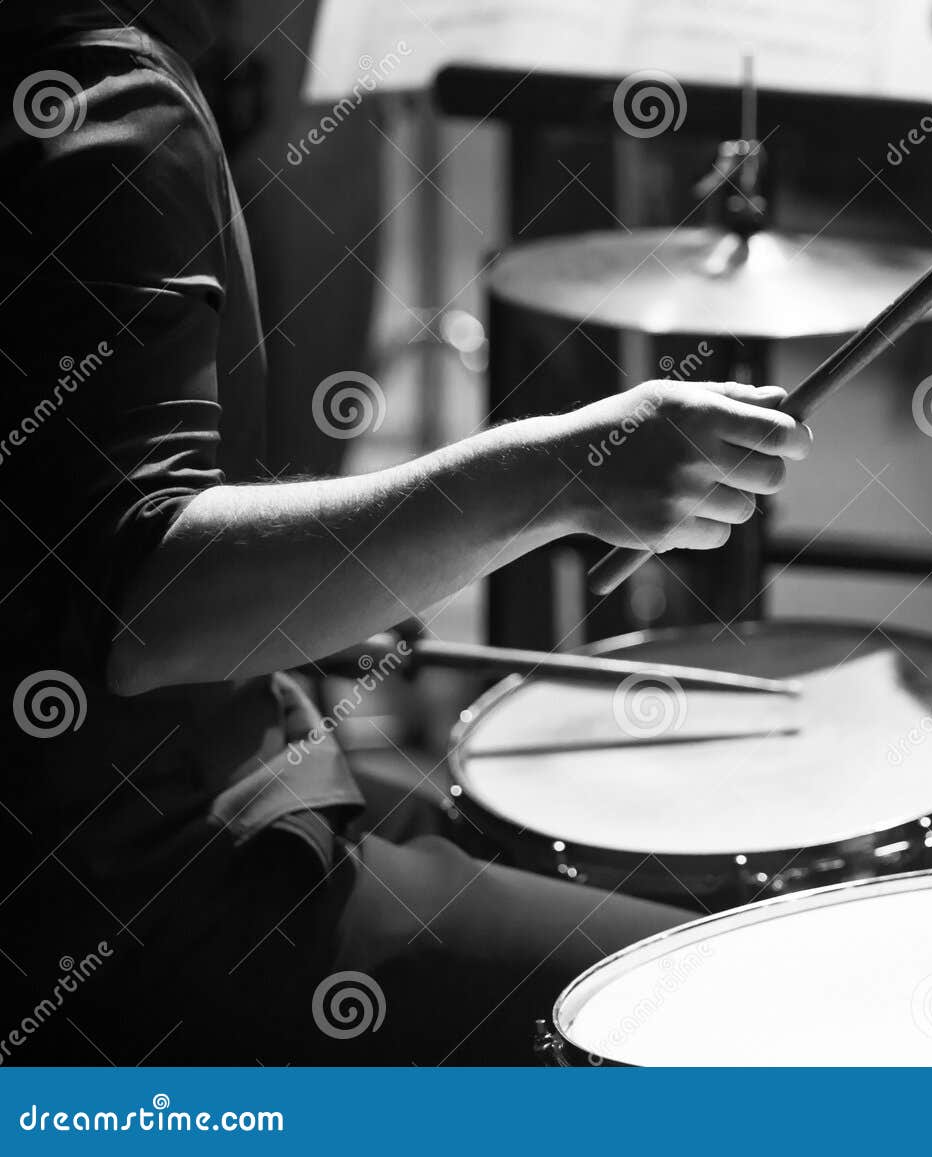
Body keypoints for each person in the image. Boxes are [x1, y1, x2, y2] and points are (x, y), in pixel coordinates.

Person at [0, 0, 810, 1063]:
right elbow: (145, 602)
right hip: (130, 899)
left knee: (540, 845)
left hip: (139, 790)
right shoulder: (98, 104)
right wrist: (561, 473)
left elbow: (51, 547)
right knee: (756, 1003)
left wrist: (315, 608)